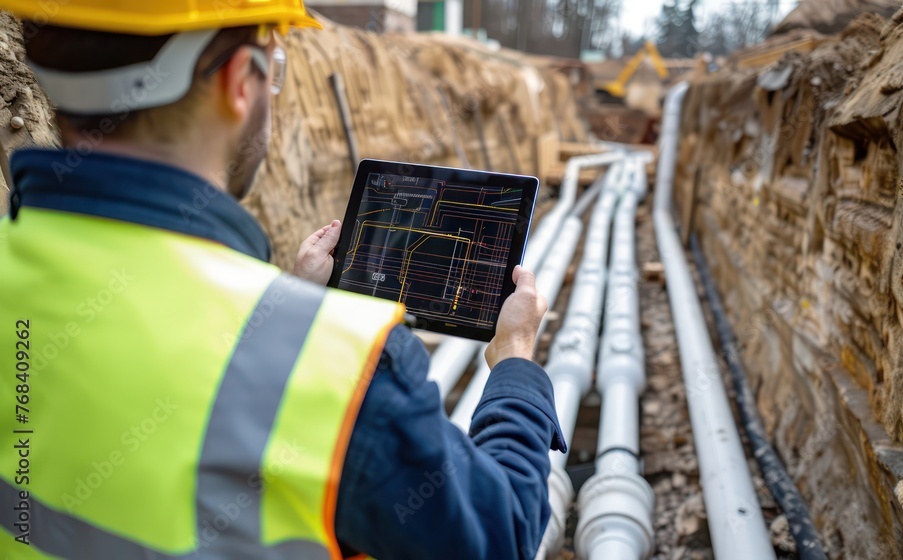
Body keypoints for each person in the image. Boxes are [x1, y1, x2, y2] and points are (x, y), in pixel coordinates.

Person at [0, 2, 566, 559]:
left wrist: (293, 304)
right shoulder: (341, 364)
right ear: (242, 80)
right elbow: (502, 535)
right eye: (274, 69)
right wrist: (515, 359)